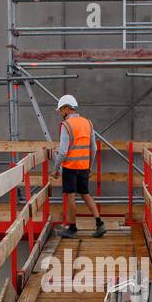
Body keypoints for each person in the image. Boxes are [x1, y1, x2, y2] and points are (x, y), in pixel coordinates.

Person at [51, 94, 105, 239]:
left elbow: (62, 152)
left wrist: (55, 169)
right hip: (83, 166)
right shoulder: (88, 123)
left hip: (70, 166)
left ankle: (72, 228)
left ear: (67, 109)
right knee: (85, 194)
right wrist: (89, 166)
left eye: (61, 110)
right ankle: (99, 224)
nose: (61, 113)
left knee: (70, 196)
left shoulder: (66, 125)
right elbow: (93, 148)